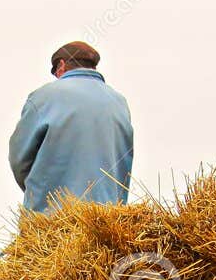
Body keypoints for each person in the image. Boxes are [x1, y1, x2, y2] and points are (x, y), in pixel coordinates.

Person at [7, 41, 134, 213]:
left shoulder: (44, 97)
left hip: (53, 218)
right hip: (108, 219)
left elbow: (19, 159)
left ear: (61, 65)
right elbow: (125, 160)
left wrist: (39, 192)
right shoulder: (119, 103)